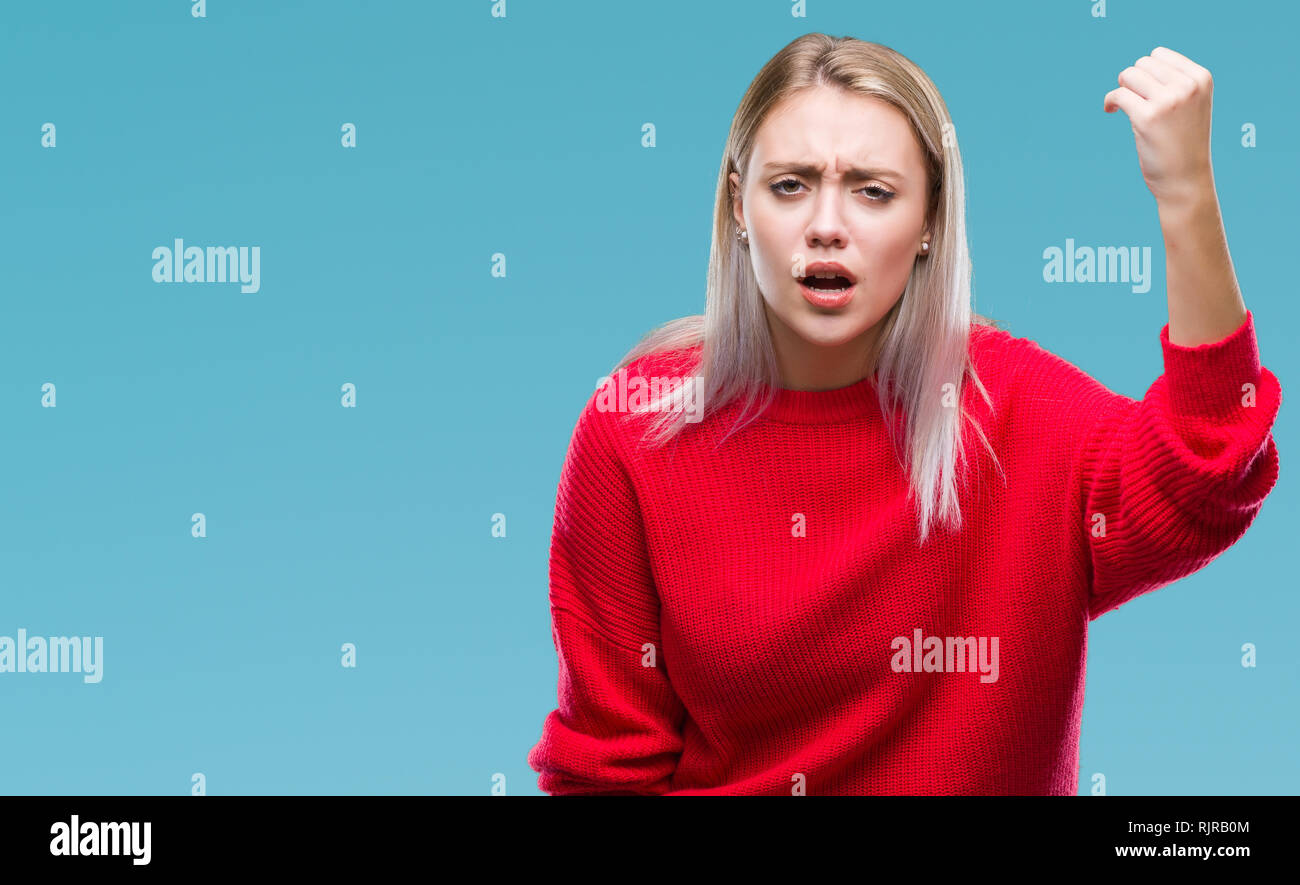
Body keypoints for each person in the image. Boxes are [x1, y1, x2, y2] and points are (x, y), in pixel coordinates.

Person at [526, 33, 1280, 795]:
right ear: (737, 205)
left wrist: (1185, 190)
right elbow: (607, 770)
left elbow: (1209, 471)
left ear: (929, 221)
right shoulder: (635, 427)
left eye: (873, 191)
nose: (826, 224)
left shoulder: (1018, 409)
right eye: (789, 185)